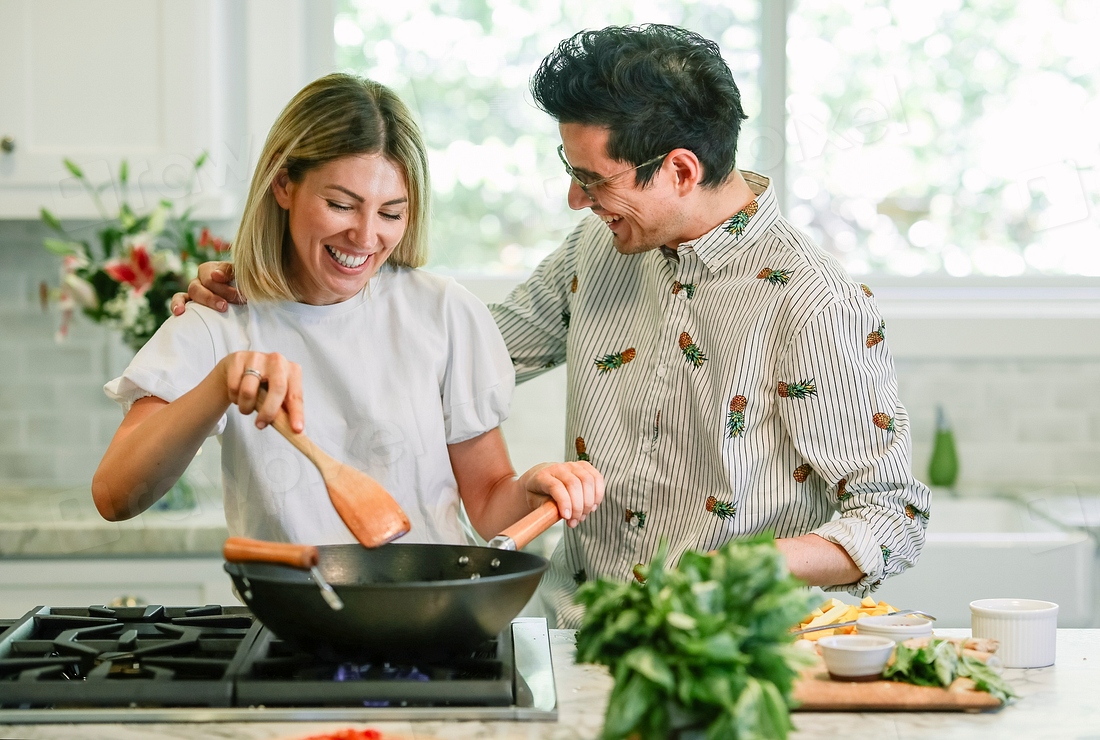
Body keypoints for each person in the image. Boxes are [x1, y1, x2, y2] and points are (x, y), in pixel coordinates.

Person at [173, 25, 929, 629]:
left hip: (728, 655)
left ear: (680, 170)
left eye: (592, 179)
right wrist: (276, 294)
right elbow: (442, 350)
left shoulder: (814, 302)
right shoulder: (596, 250)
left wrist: (740, 567)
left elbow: (893, 515)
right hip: (579, 638)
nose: (575, 200)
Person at [95, 73, 603, 550]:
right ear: (284, 185)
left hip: (433, 608)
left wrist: (532, 487)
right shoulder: (220, 318)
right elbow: (115, 497)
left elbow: (490, 502)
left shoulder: (444, 313)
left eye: (391, 213)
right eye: (340, 205)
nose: (365, 237)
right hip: (292, 610)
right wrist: (219, 384)